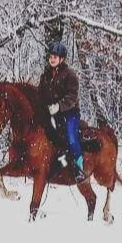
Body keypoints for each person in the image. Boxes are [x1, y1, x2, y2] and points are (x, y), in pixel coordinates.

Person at [38, 40, 86, 183]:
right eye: (51, 56)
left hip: (69, 112)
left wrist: (59, 106)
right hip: (51, 113)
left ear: (62, 59)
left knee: (71, 137)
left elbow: (72, 96)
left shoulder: (70, 75)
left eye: (55, 57)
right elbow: (41, 94)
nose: (52, 59)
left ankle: (79, 168)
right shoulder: (45, 75)